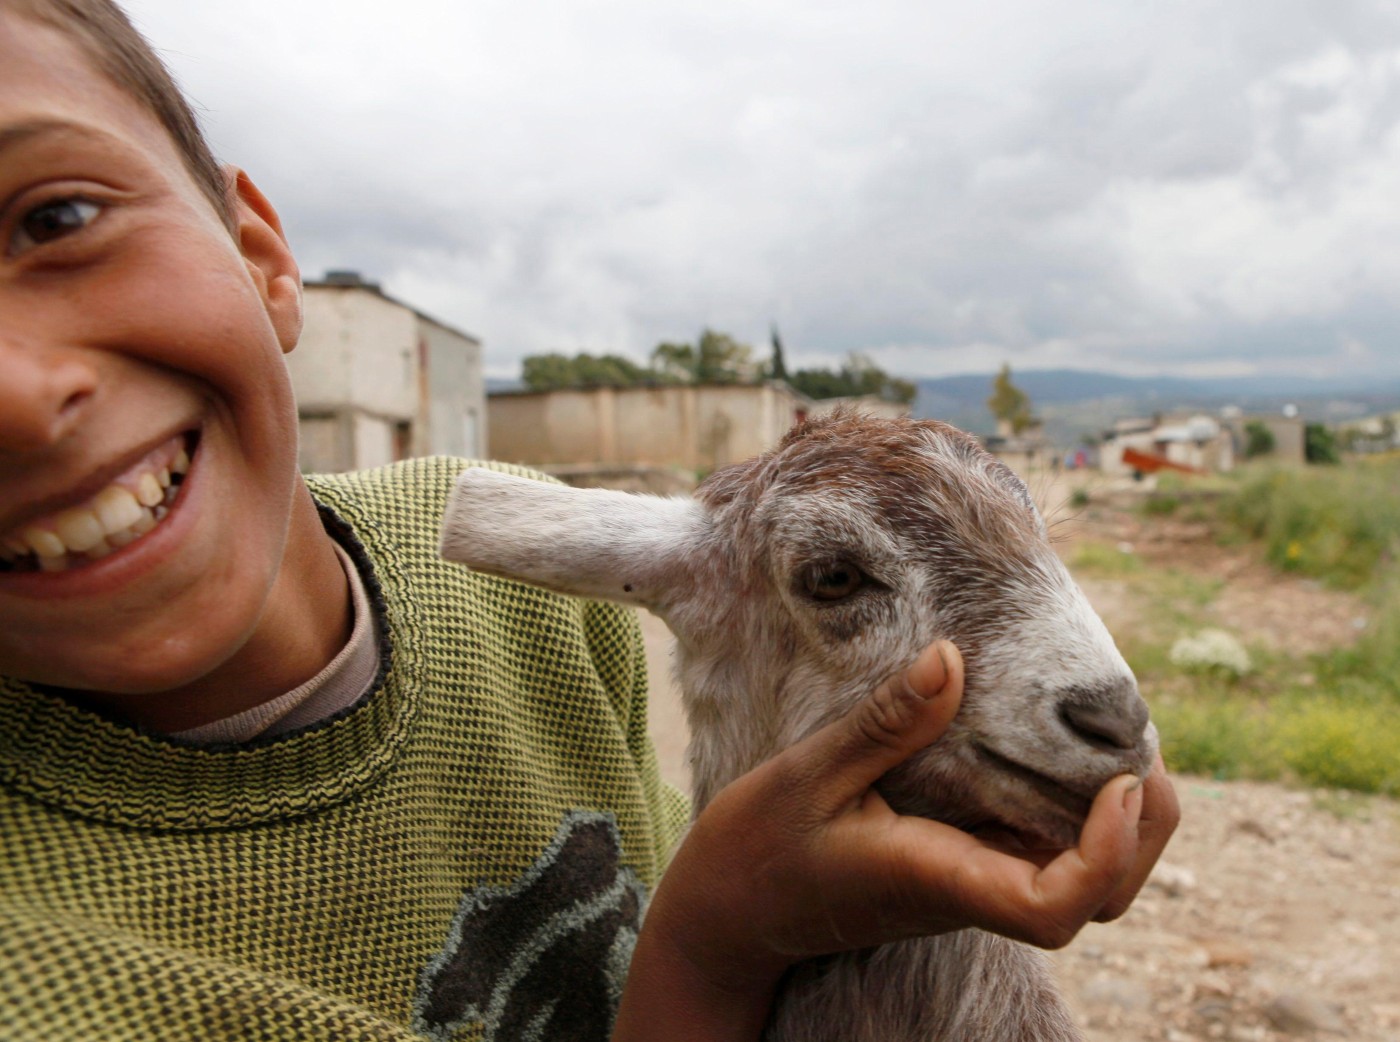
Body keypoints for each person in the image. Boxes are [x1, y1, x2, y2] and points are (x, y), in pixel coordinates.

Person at [0, 2, 1179, 1039]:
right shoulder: (46, 982)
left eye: (53, 218)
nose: (16, 399)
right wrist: (722, 940)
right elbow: (701, 908)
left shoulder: (516, 606)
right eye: (833, 581)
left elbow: (678, 851)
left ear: (261, 254)